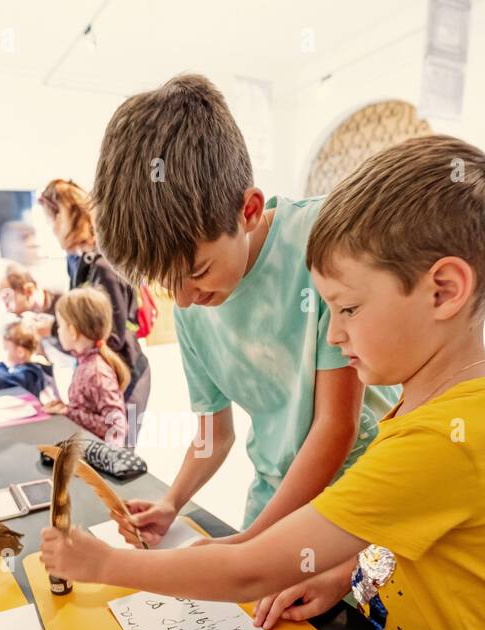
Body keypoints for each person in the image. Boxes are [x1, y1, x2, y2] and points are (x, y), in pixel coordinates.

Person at [42, 134, 485, 630]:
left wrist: (104, 565)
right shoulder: (434, 405)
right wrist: (344, 571)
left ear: (443, 290)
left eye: (348, 308)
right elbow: (419, 541)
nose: (332, 332)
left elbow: (249, 567)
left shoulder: (447, 438)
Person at [89, 73, 398, 544]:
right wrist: (172, 502)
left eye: (197, 270)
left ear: (248, 210)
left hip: (356, 502)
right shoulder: (192, 304)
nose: (187, 299)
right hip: (274, 499)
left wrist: (248, 548)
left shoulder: (322, 240)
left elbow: (337, 425)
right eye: (167, 284)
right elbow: (214, 433)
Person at [38, 178, 150, 422]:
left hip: (124, 373)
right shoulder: (78, 260)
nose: (52, 229)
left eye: (52, 219)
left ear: (66, 216)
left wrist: (56, 328)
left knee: (117, 452)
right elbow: (82, 308)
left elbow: (112, 333)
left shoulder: (104, 265)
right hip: (103, 372)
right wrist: (47, 305)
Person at [44, 287, 129, 445]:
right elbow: (87, 409)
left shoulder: (96, 371)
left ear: (73, 331)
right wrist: (65, 409)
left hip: (97, 463)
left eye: (60, 326)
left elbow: (116, 427)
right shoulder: (85, 364)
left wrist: (68, 412)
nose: (58, 331)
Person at [0, 321, 49, 395]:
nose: (5, 352)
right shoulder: (22, 369)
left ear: (20, 352)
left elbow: (3, 379)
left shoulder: (29, 373)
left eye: (6, 348)